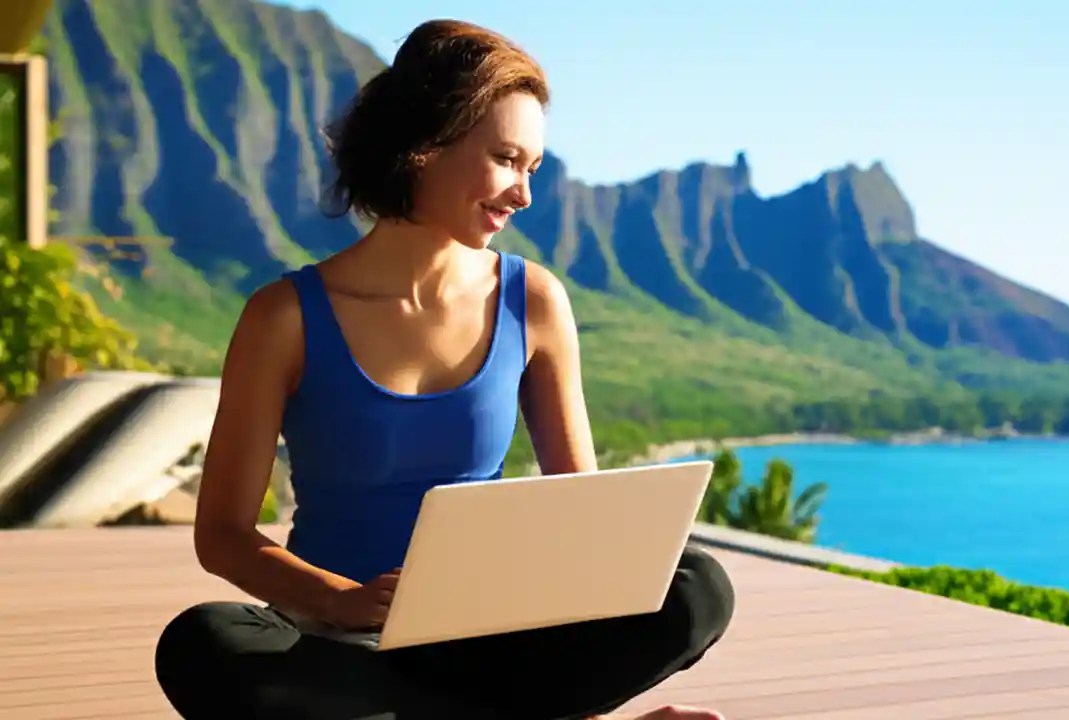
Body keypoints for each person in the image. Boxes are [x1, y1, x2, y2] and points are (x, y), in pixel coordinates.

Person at [151, 17, 735, 720]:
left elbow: (582, 512)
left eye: (532, 169)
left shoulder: (535, 301)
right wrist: (340, 599)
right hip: (336, 641)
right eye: (506, 160)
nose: (522, 193)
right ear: (426, 146)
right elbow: (222, 536)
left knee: (696, 582)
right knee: (202, 641)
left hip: (494, 641)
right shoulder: (284, 318)